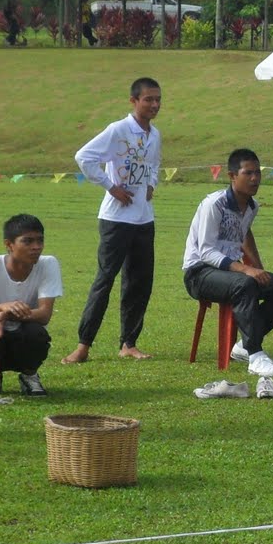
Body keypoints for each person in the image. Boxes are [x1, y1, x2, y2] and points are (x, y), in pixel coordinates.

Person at [183, 149, 273, 399]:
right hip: (200, 273)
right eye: (249, 173)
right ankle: (255, 355)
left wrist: (258, 267)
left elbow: (245, 235)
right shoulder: (213, 204)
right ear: (232, 176)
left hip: (231, 272)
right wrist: (247, 269)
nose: (255, 178)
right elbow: (205, 252)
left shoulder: (251, 206)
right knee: (245, 285)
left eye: (258, 172)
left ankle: (244, 345)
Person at [63, 77, 163, 364]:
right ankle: (83, 345)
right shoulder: (118, 130)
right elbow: (84, 157)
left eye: (158, 99)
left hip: (144, 219)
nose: (154, 105)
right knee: (105, 280)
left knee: (139, 282)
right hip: (116, 219)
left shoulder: (155, 134)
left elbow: (154, 163)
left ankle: (129, 343)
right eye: (148, 99)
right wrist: (110, 186)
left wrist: (152, 184)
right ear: (134, 101)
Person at [0, 214, 60, 398]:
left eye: (40, 240)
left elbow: (44, 314)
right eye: (28, 241)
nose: (37, 247)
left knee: (36, 333)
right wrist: (3, 307)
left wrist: (6, 313)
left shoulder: (48, 264)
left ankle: (29, 375)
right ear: (9, 245)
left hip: (25, 331)